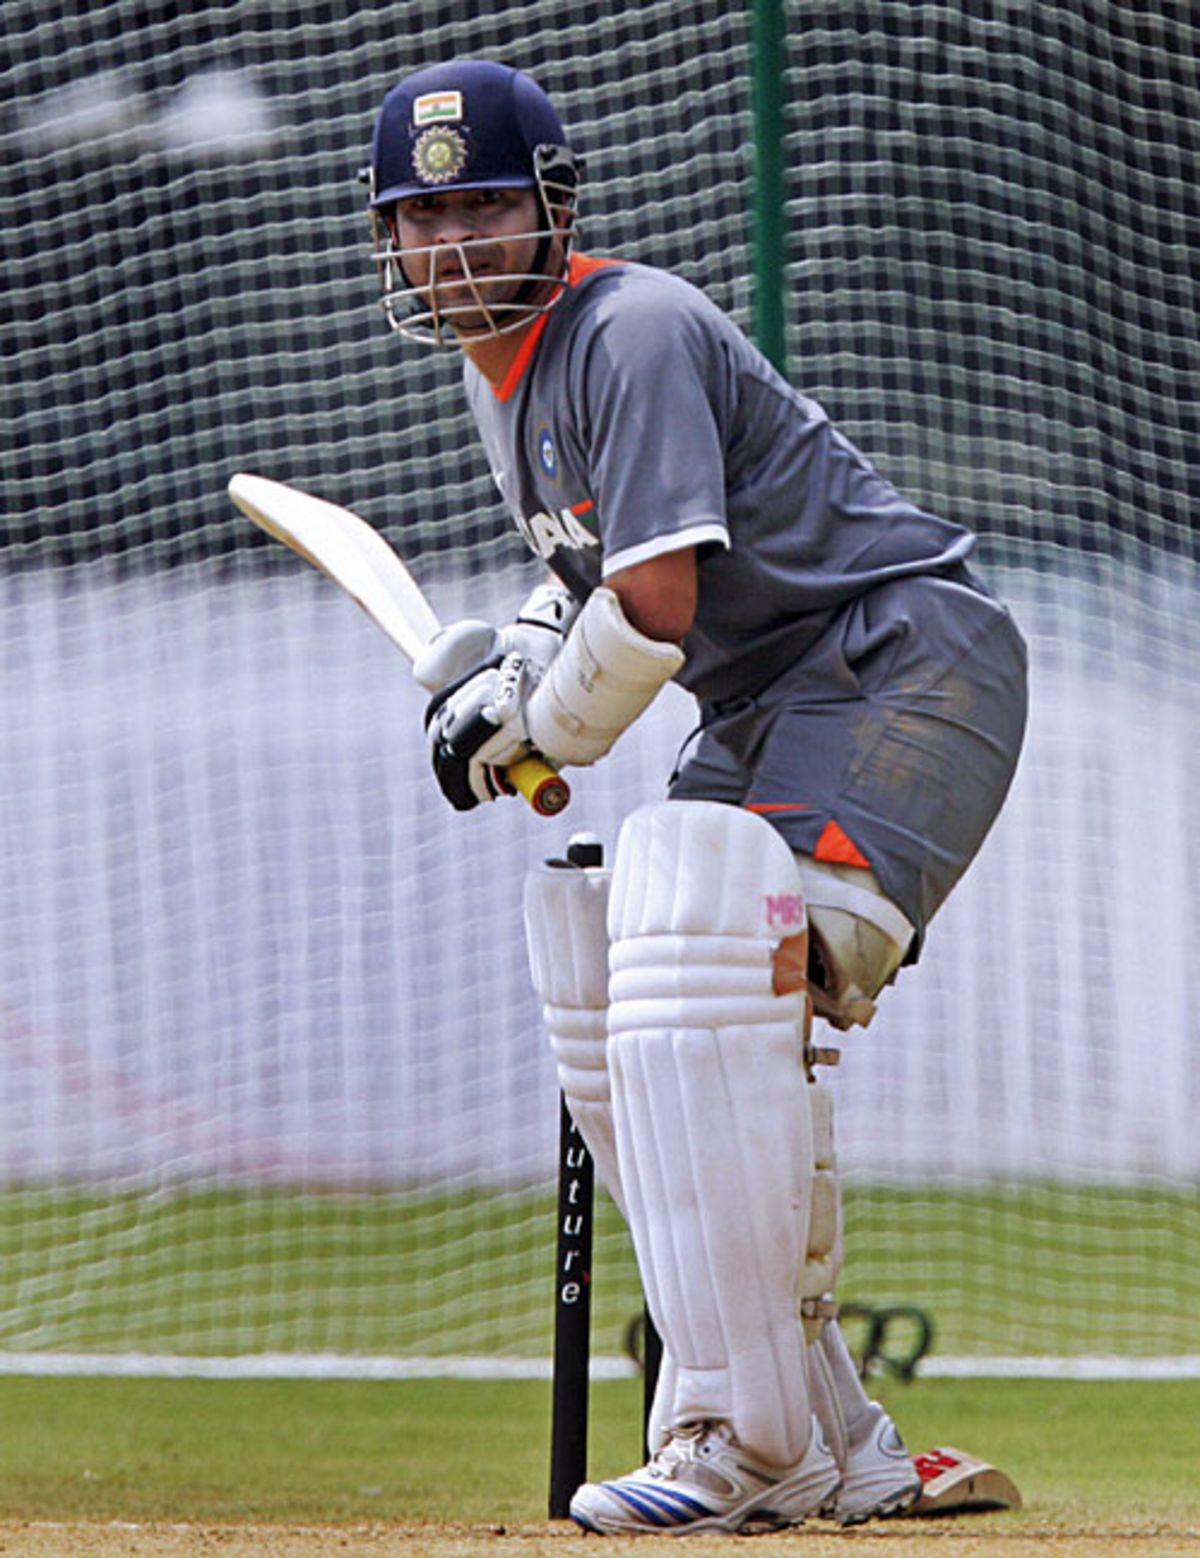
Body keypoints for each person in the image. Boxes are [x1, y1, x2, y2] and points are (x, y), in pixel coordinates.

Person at [364, 59, 1028, 1535]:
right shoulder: (501, 379)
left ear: (554, 208)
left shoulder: (632, 328)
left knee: (715, 975)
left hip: (896, 662)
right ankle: (830, 1436)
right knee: (609, 974)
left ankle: (740, 1436)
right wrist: (506, 691)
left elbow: (654, 607)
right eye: (421, 216)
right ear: (385, 236)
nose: (451, 244)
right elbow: (588, 583)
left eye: (482, 206)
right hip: (765, 701)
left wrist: (533, 720)